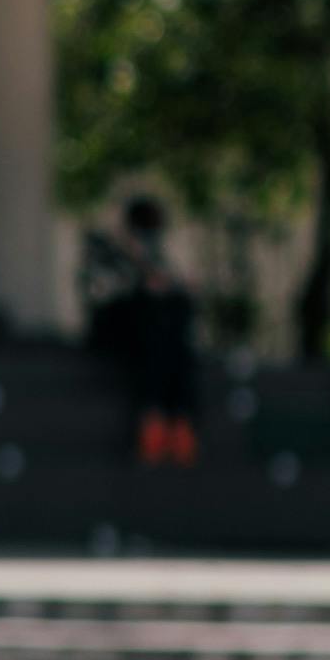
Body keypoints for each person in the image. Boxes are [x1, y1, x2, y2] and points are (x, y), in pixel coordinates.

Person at [82, 186, 203, 468]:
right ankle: (166, 419)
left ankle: (165, 419)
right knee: (159, 318)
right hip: (119, 327)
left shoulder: (156, 254)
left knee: (171, 318)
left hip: (152, 334)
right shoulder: (107, 248)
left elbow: (169, 285)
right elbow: (100, 293)